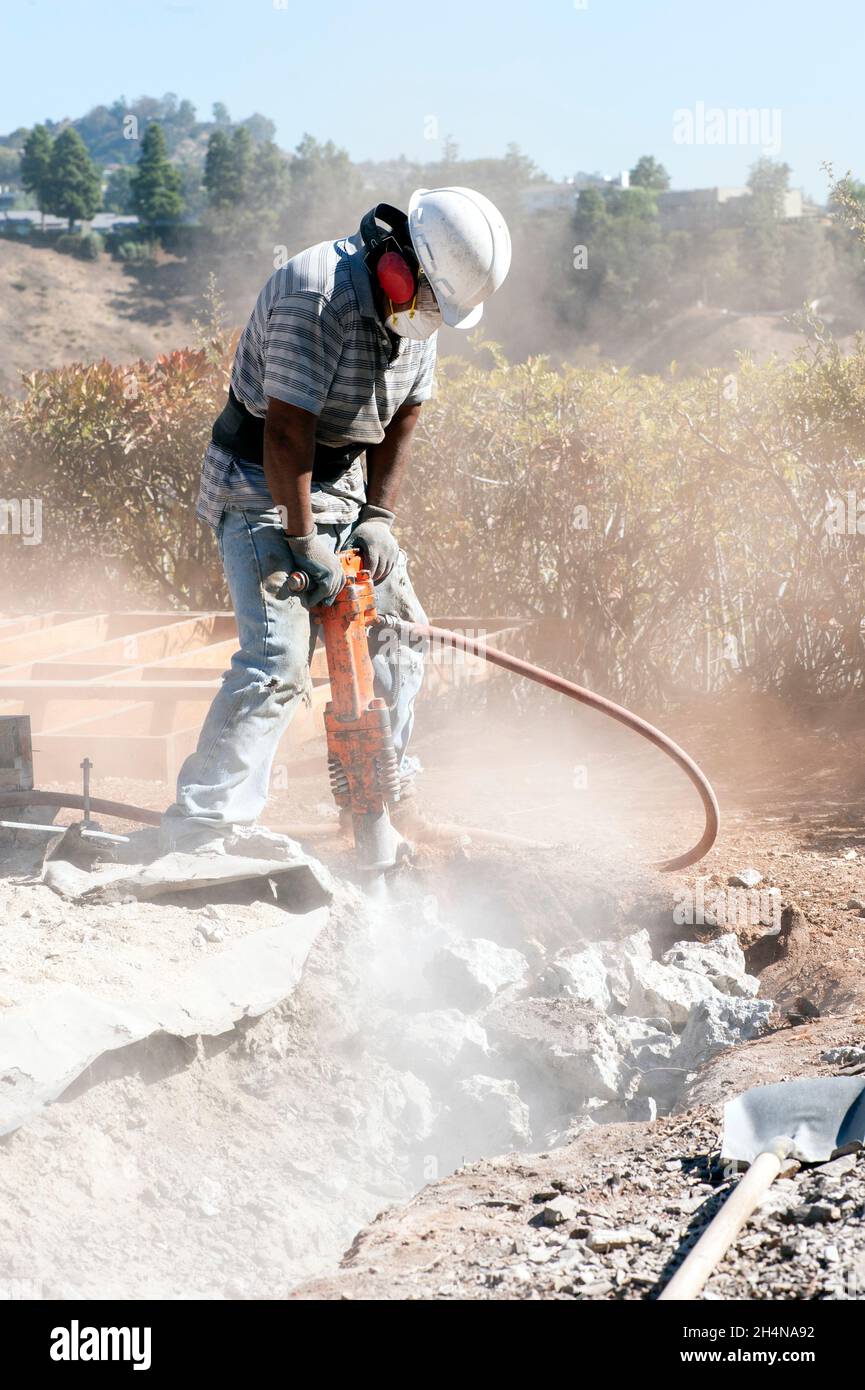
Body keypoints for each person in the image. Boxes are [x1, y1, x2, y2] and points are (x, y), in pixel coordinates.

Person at [161, 187, 511, 853]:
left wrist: (377, 515)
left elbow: (405, 415)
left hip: (342, 486)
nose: (432, 316)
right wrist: (301, 540)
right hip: (261, 483)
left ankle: (381, 791)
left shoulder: (418, 314)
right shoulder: (315, 294)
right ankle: (203, 829)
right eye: (431, 299)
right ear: (398, 266)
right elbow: (285, 433)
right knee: (277, 661)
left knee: (404, 636)